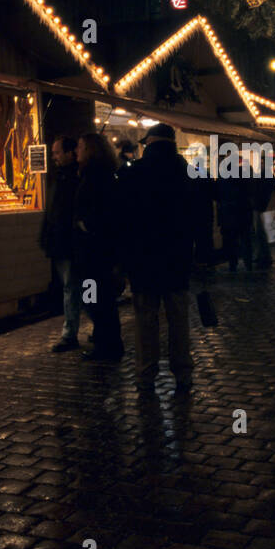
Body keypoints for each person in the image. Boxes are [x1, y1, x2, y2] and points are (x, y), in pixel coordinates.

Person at [119, 123, 195, 394]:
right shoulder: (187, 172)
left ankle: (145, 375)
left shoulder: (135, 173)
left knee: (145, 321)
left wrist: (124, 260)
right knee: (178, 318)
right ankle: (183, 372)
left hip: (144, 259)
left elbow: (123, 222)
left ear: (149, 142)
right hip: (177, 256)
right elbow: (199, 217)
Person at [74, 132, 124, 362]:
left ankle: (107, 343)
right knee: (98, 298)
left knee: (94, 298)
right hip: (98, 251)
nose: (77, 151)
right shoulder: (103, 174)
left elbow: (100, 211)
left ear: (90, 150)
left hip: (94, 252)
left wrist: (86, 226)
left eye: (81, 147)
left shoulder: (94, 177)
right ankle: (107, 340)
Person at [40, 136, 82, 352]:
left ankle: (70, 332)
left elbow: (64, 214)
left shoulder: (73, 178)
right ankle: (82, 327)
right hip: (60, 243)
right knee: (72, 287)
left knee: (72, 288)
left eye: (57, 153)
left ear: (69, 153)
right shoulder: (62, 177)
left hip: (68, 244)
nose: (54, 157)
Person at [216, 149, 253, 273]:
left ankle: (233, 264)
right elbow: (249, 191)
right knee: (245, 238)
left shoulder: (222, 177)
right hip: (243, 211)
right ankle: (248, 263)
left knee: (231, 240)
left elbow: (217, 195)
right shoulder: (243, 174)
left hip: (228, 213)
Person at [249, 151, 275, 269]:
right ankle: (264, 255)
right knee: (261, 233)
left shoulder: (264, 176)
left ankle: (264, 256)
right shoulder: (268, 176)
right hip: (262, 206)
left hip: (260, 207)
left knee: (261, 233)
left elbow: (258, 191)